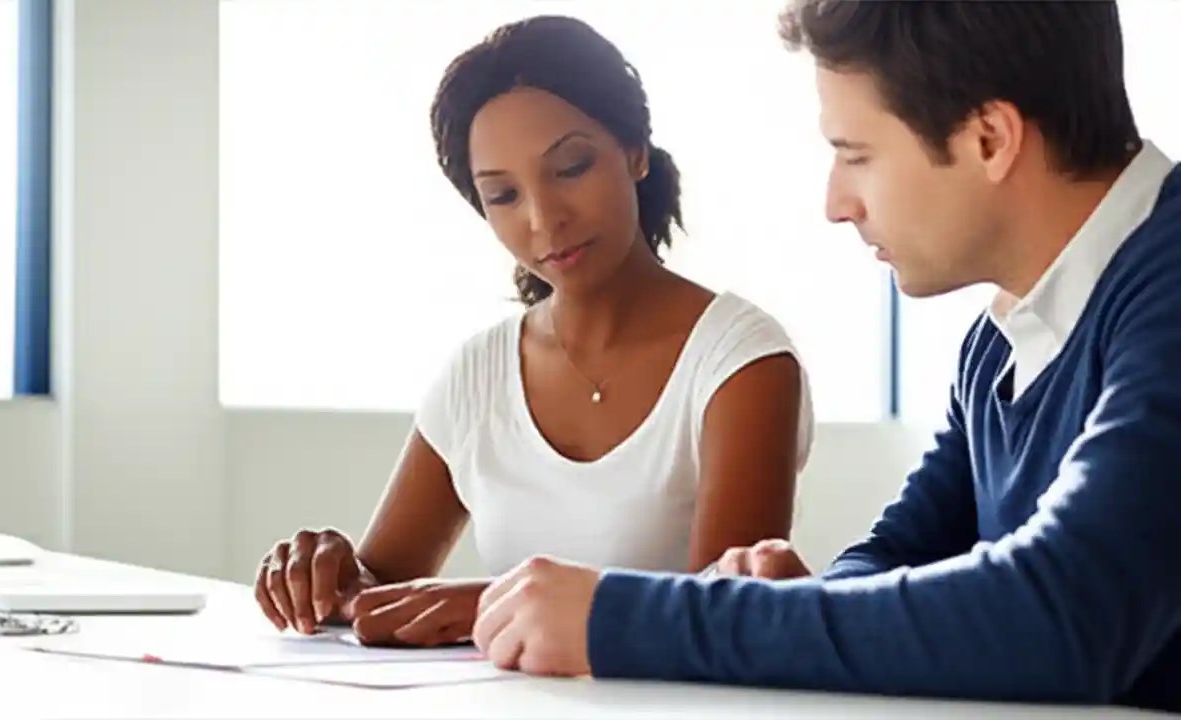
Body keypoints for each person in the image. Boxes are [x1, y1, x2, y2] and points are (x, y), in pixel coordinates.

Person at [470, 1, 1181, 712]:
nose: (836, 203)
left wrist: (620, 618)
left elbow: (1063, 615)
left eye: (854, 154)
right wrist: (795, 601)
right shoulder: (1001, 342)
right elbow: (891, 557)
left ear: (989, 139)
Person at [253, 15, 814, 648]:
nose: (544, 220)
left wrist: (493, 603)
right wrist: (323, 573)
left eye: (571, 168)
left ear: (635, 153)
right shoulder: (479, 374)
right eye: (503, 196)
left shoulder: (739, 359)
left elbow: (725, 614)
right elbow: (376, 591)